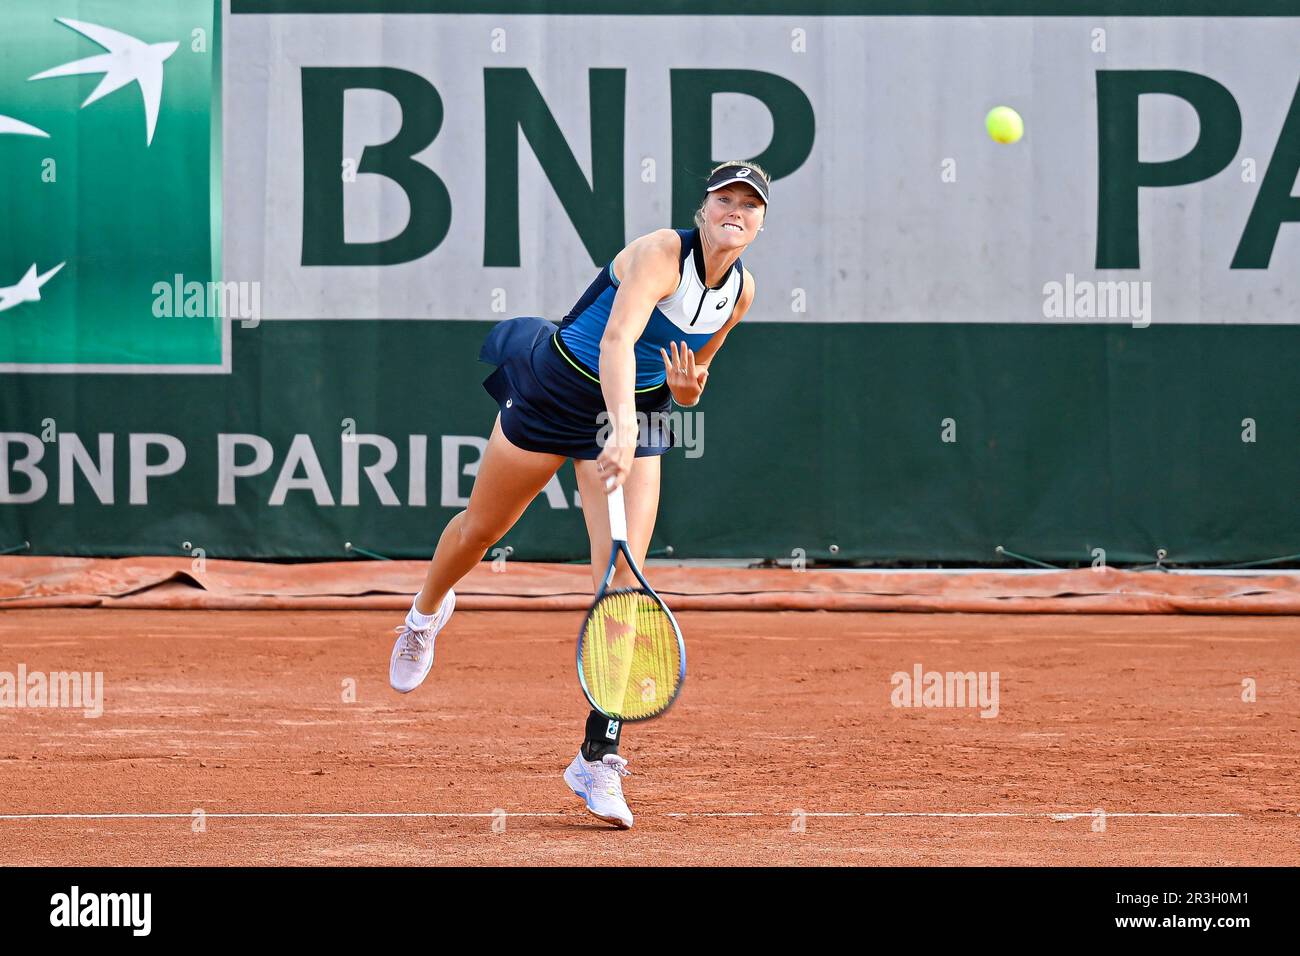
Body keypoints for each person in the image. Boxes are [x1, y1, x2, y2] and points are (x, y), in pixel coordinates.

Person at [388, 160, 768, 829]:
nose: (736, 211)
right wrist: (617, 425)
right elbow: (618, 338)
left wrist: (681, 394)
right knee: (481, 530)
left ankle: (598, 757)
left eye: (750, 205)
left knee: (622, 586)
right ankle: (423, 615)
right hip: (558, 387)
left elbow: (695, 367)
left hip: (640, 410)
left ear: (760, 222)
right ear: (703, 209)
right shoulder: (659, 252)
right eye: (725, 199)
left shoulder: (740, 293)